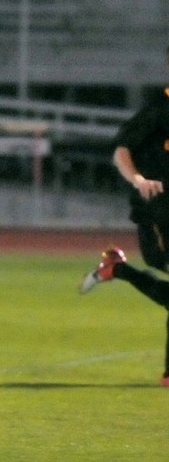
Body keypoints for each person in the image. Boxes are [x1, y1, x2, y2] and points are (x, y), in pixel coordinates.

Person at [79, 45, 169, 387]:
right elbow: (121, 150)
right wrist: (138, 179)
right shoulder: (158, 111)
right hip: (158, 211)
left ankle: (118, 268)